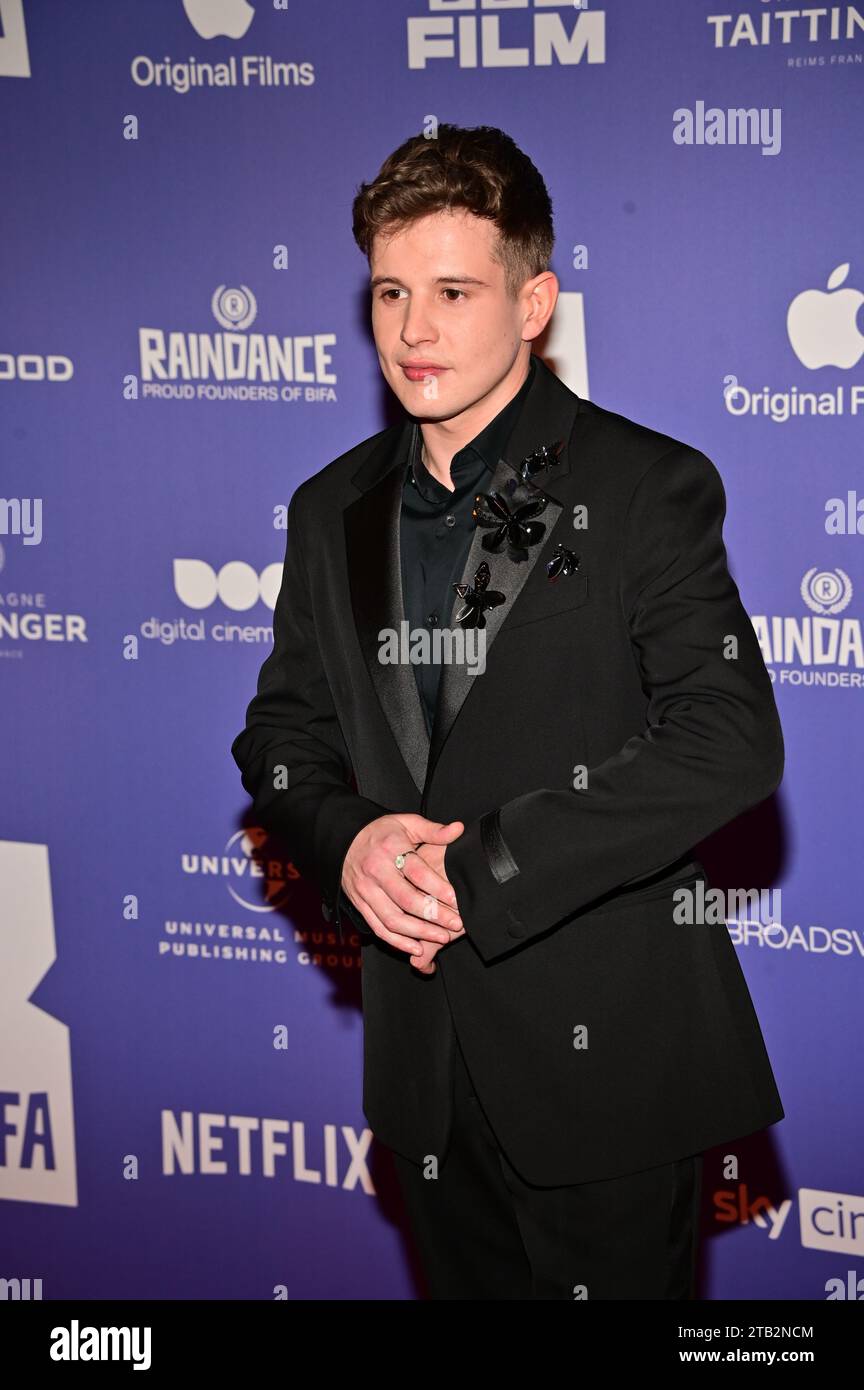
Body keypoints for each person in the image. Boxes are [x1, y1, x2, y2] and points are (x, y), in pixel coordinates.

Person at [231, 124, 785, 1300]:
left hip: (612, 1068)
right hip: (423, 1069)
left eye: (451, 291)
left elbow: (729, 739)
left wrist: (480, 868)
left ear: (533, 302)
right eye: (389, 291)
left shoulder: (643, 485)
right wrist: (351, 837)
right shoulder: (328, 509)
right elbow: (281, 738)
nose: (412, 330)